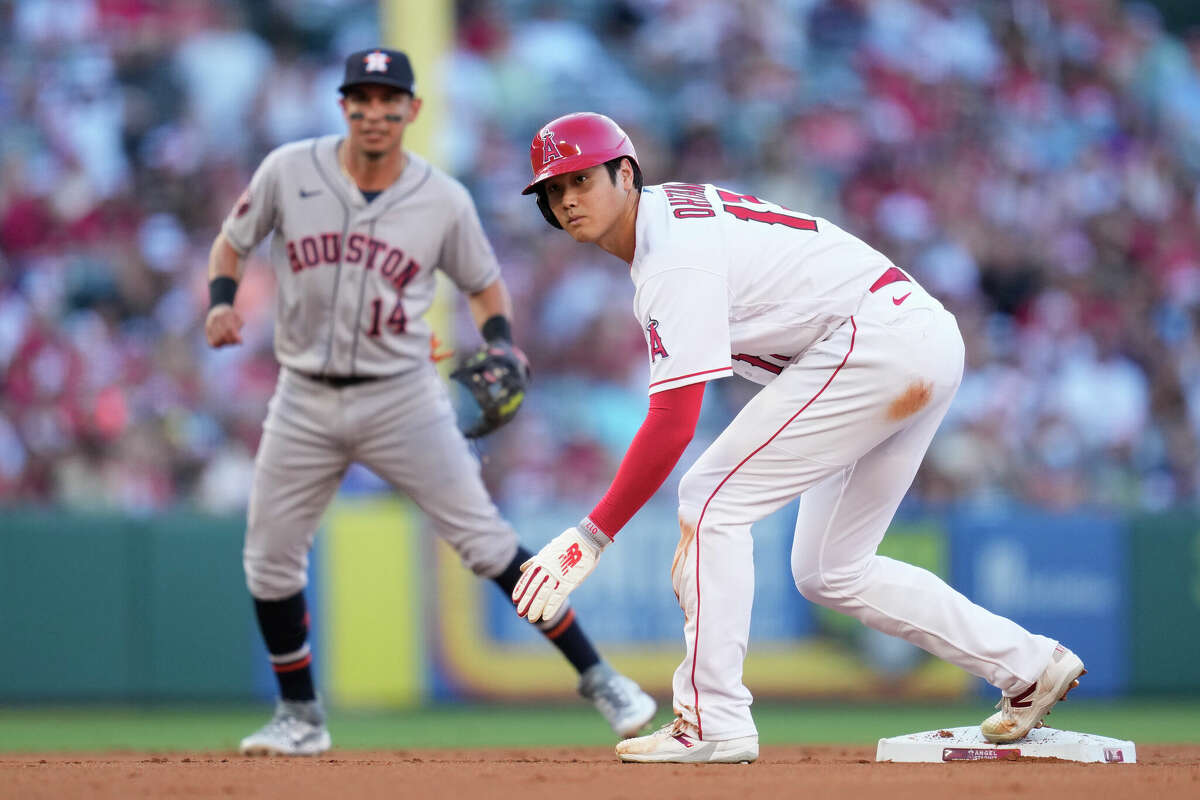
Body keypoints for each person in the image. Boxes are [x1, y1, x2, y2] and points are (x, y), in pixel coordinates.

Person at [511, 112, 1085, 764]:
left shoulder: (671, 260)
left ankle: (711, 721)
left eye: (580, 179)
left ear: (625, 173)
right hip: (910, 337)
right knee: (830, 569)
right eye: (553, 192)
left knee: (711, 499)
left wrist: (592, 536)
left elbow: (674, 423)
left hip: (876, 342)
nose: (567, 200)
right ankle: (1029, 665)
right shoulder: (667, 227)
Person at [204, 54, 655, 757]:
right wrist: (221, 304)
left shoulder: (442, 198)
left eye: (390, 100)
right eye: (362, 99)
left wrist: (502, 342)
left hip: (402, 395)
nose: (376, 112)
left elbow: (484, 284)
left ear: (412, 111)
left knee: (488, 544)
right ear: (344, 106)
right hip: (304, 397)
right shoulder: (287, 172)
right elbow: (230, 246)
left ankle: (600, 676)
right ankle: (300, 716)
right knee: (268, 559)